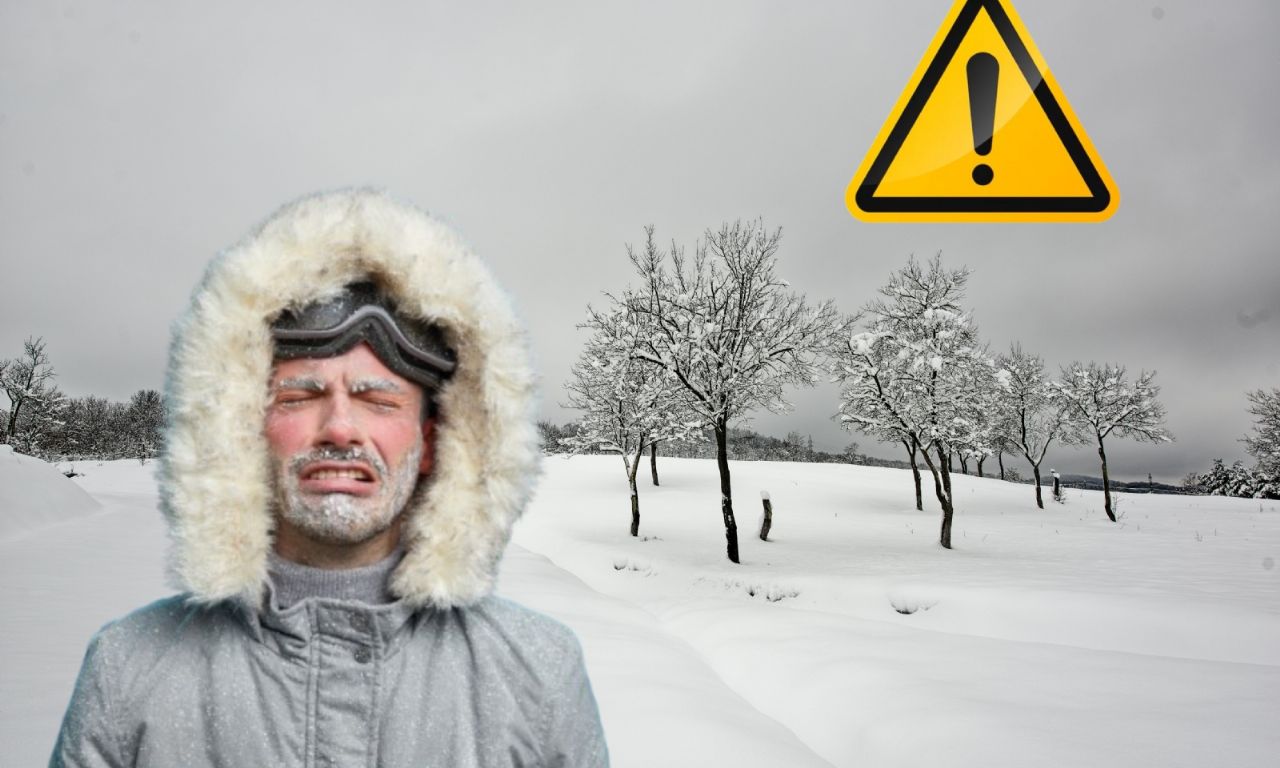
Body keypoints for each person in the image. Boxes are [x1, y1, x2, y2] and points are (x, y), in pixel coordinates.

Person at [49, 189, 609, 767]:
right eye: (300, 395)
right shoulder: (129, 673)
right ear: (242, 431)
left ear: (431, 445)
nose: (340, 428)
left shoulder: (538, 676)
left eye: (378, 400)